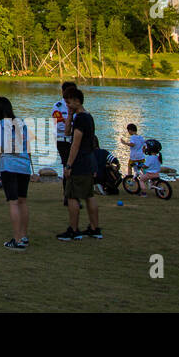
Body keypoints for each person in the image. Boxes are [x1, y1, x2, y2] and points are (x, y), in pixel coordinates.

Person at [57, 86, 101, 241]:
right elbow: (66, 132)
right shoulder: (87, 116)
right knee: (89, 195)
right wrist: (70, 115)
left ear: (77, 101)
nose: (67, 105)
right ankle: (95, 228)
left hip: (79, 161)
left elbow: (75, 144)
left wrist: (68, 165)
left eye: (69, 102)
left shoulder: (81, 119)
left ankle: (74, 230)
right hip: (89, 161)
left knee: (72, 196)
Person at [0, 96, 31, 250]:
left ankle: (17, 240)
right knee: (23, 201)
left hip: (9, 165)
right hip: (24, 165)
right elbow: (28, 145)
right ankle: (24, 236)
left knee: (13, 202)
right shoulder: (21, 123)